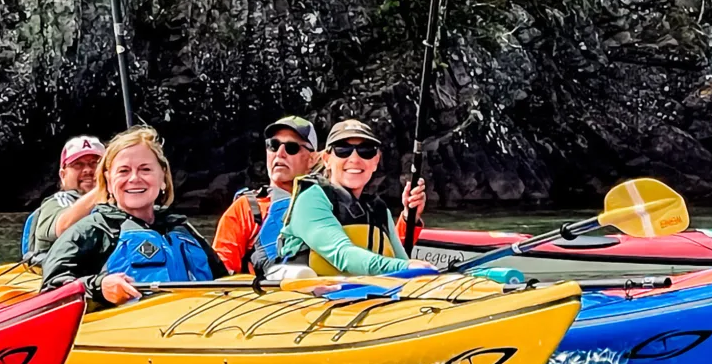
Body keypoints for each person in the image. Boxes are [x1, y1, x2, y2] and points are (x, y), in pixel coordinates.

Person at [40, 127, 227, 308]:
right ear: (109, 181)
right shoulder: (93, 230)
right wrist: (98, 287)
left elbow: (225, 282)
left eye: (145, 169)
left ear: (162, 177)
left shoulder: (182, 228)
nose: (134, 178)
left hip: (193, 321)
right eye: (123, 171)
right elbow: (51, 291)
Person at [255, 119, 431, 279]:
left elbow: (402, 261)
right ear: (326, 159)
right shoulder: (311, 199)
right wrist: (405, 267)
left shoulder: (378, 209)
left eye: (366, 151)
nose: (354, 159)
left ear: (376, 161)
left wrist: (409, 218)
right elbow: (342, 255)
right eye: (343, 150)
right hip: (307, 297)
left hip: (364, 297)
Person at [211, 116, 319, 274]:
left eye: (292, 148)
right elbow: (221, 272)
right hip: (268, 287)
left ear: (312, 159)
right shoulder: (246, 208)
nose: (280, 154)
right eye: (273, 146)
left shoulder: (329, 203)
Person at [20, 135, 104, 262]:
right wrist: (104, 187)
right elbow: (64, 226)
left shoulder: (122, 201)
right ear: (63, 175)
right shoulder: (56, 202)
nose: (87, 170)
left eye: (95, 164)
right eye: (78, 165)